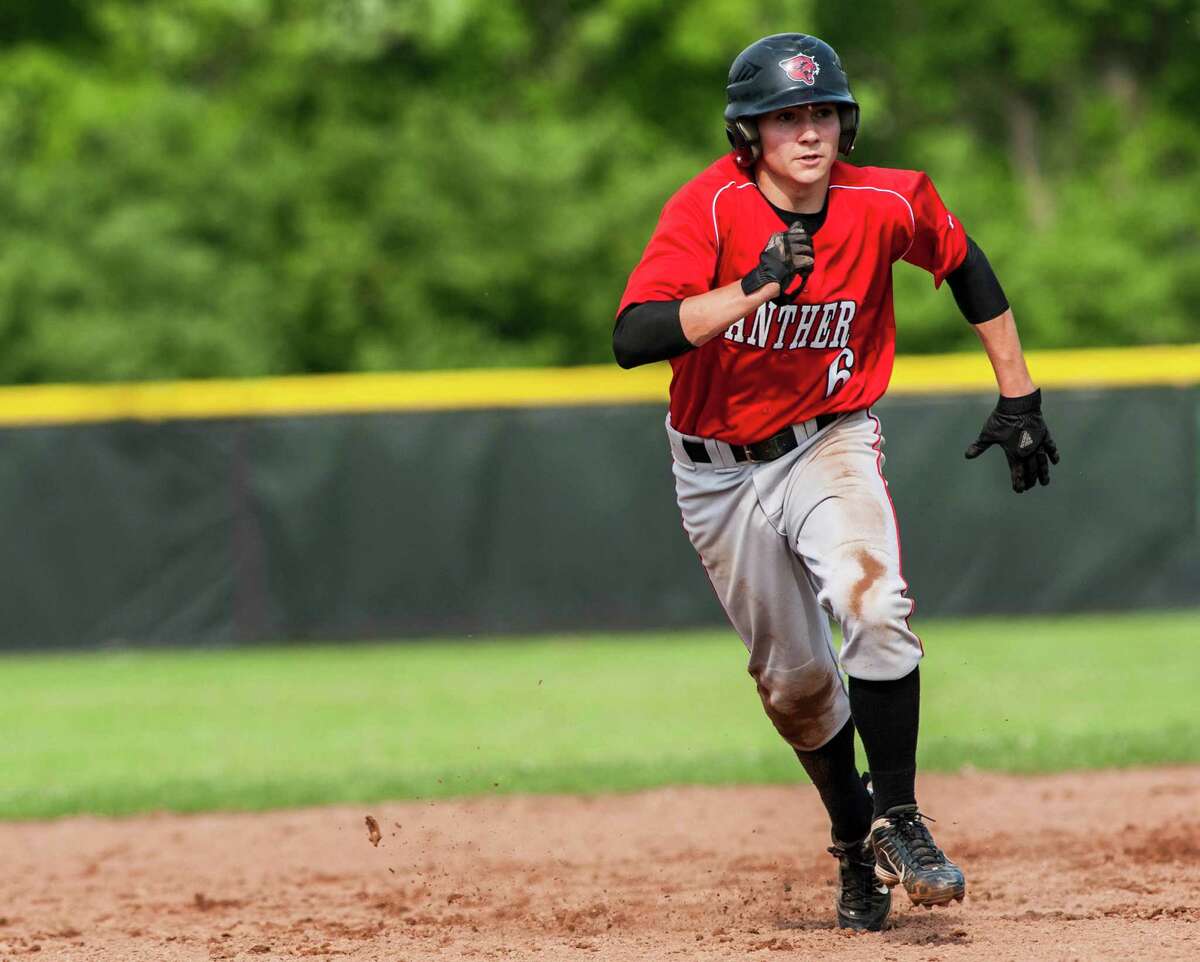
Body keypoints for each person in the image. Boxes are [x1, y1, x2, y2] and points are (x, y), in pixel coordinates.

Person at [612, 33, 1059, 931]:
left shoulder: (887, 198)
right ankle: (856, 838)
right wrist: (751, 287)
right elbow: (634, 336)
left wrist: (1020, 394)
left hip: (830, 439)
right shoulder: (709, 209)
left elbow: (964, 263)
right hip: (718, 473)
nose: (809, 132)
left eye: (822, 113)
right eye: (786, 117)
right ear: (750, 135)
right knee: (797, 687)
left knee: (874, 599)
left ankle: (900, 817)